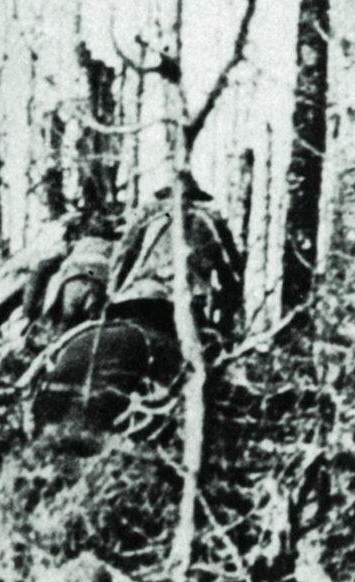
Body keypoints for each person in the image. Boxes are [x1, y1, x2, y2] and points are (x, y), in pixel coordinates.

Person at [28, 176, 244, 436]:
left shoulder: (148, 213)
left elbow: (122, 256)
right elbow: (233, 274)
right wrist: (228, 320)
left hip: (133, 299)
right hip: (180, 307)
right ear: (195, 196)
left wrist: (113, 295)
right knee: (206, 375)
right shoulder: (210, 218)